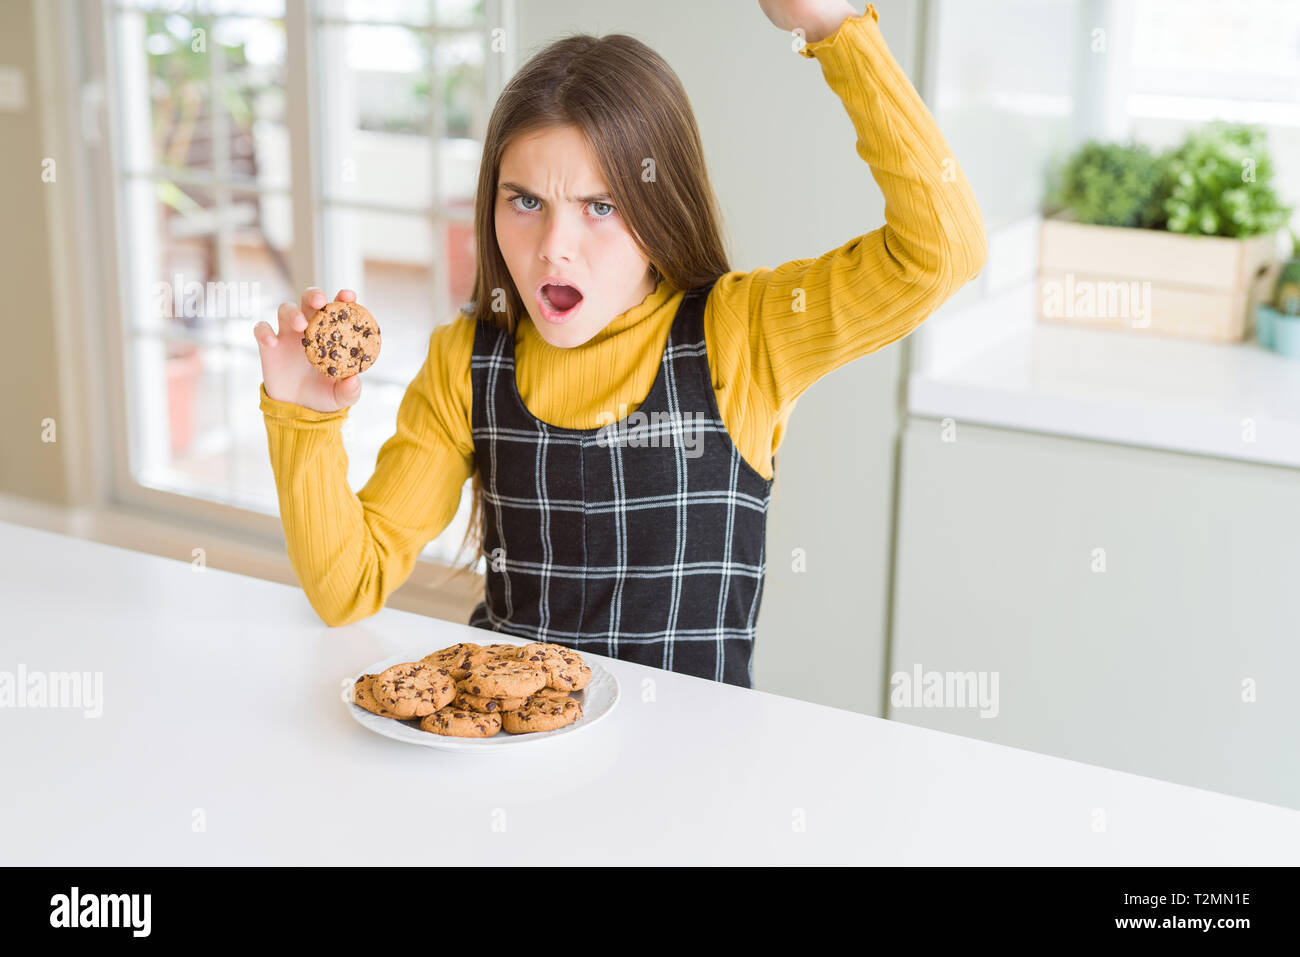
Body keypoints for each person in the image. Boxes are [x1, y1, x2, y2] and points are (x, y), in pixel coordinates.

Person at [253, 1, 986, 689]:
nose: (552, 249)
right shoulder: (465, 361)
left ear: (659, 209)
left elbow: (942, 251)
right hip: (515, 764)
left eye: (599, 207)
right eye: (526, 201)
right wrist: (304, 417)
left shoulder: (743, 334)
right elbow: (347, 588)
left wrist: (835, 29)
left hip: (687, 782)